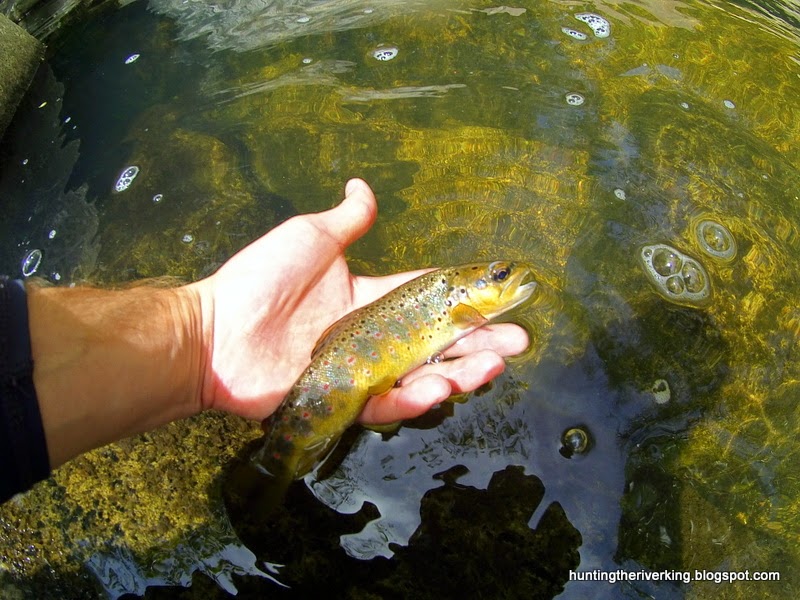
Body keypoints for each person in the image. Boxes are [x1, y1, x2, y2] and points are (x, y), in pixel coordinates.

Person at [0, 178, 529, 503]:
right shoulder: (453, 299)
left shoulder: (455, 302)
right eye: (500, 274)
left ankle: (282, 460)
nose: (511, 278)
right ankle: (279, 464)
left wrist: (200, 333)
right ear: (467, 290)